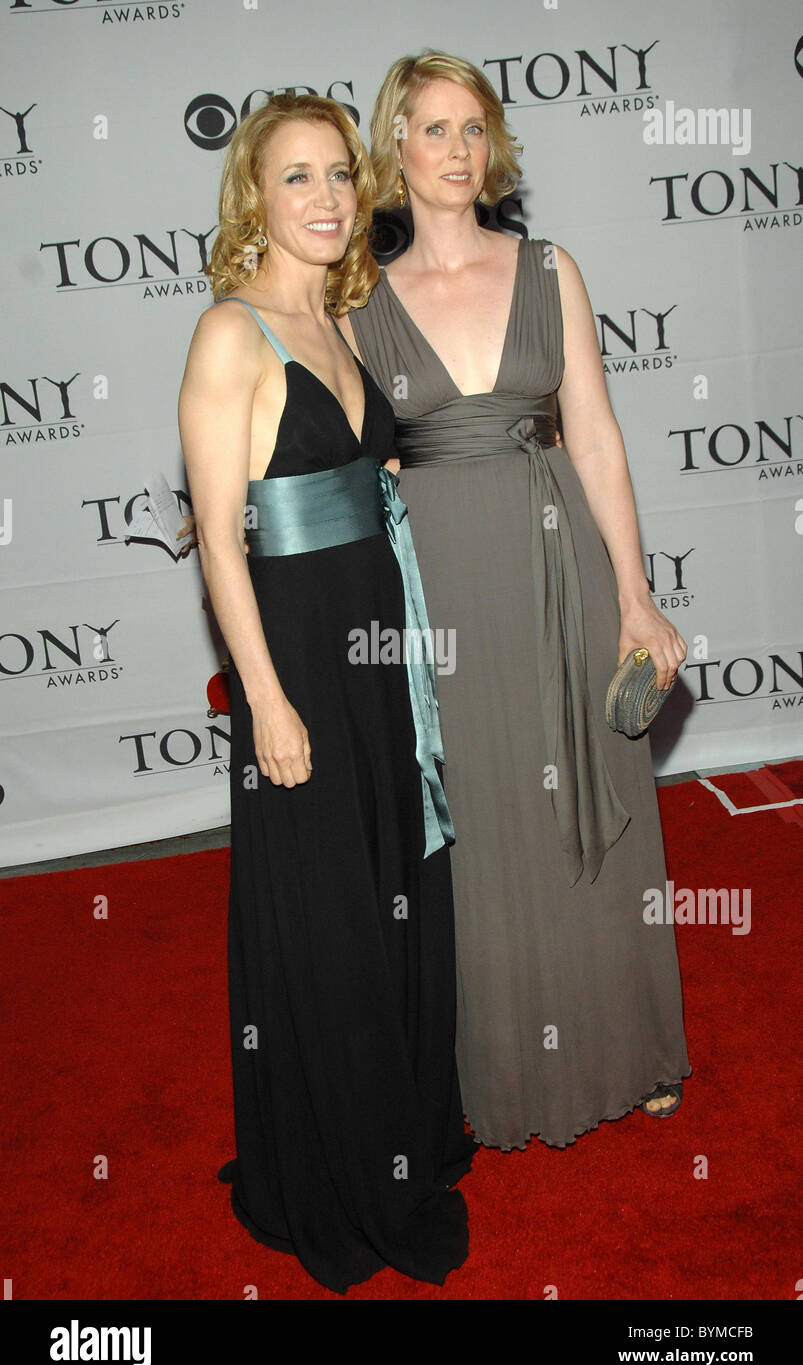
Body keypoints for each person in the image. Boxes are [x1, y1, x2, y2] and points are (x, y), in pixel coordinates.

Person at [337, 51, 691, 1151]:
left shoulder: (548, 269)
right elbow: (351, 463)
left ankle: (631, 1047)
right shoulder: (358, 302)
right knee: (479, 814)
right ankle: (486, 1071)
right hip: (440, 582)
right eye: (433, 129)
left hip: (559, 561)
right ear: (393, 148)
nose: (457, 150)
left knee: (590, 791)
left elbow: (591, 434)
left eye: (473, 129)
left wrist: (633, 596)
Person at [177, 92, 474, 1294]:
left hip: (374, 652)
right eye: (295, 175)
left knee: (395, 887)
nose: (326, 197)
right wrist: (266, 698)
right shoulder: (228, 335)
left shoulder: (345, 320)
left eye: (340, 174)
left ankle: (397, 1132)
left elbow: (376, 489)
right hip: (294, 660)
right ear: (254, 192)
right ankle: (336, 1172)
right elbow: (216, 540)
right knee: (330, 919)